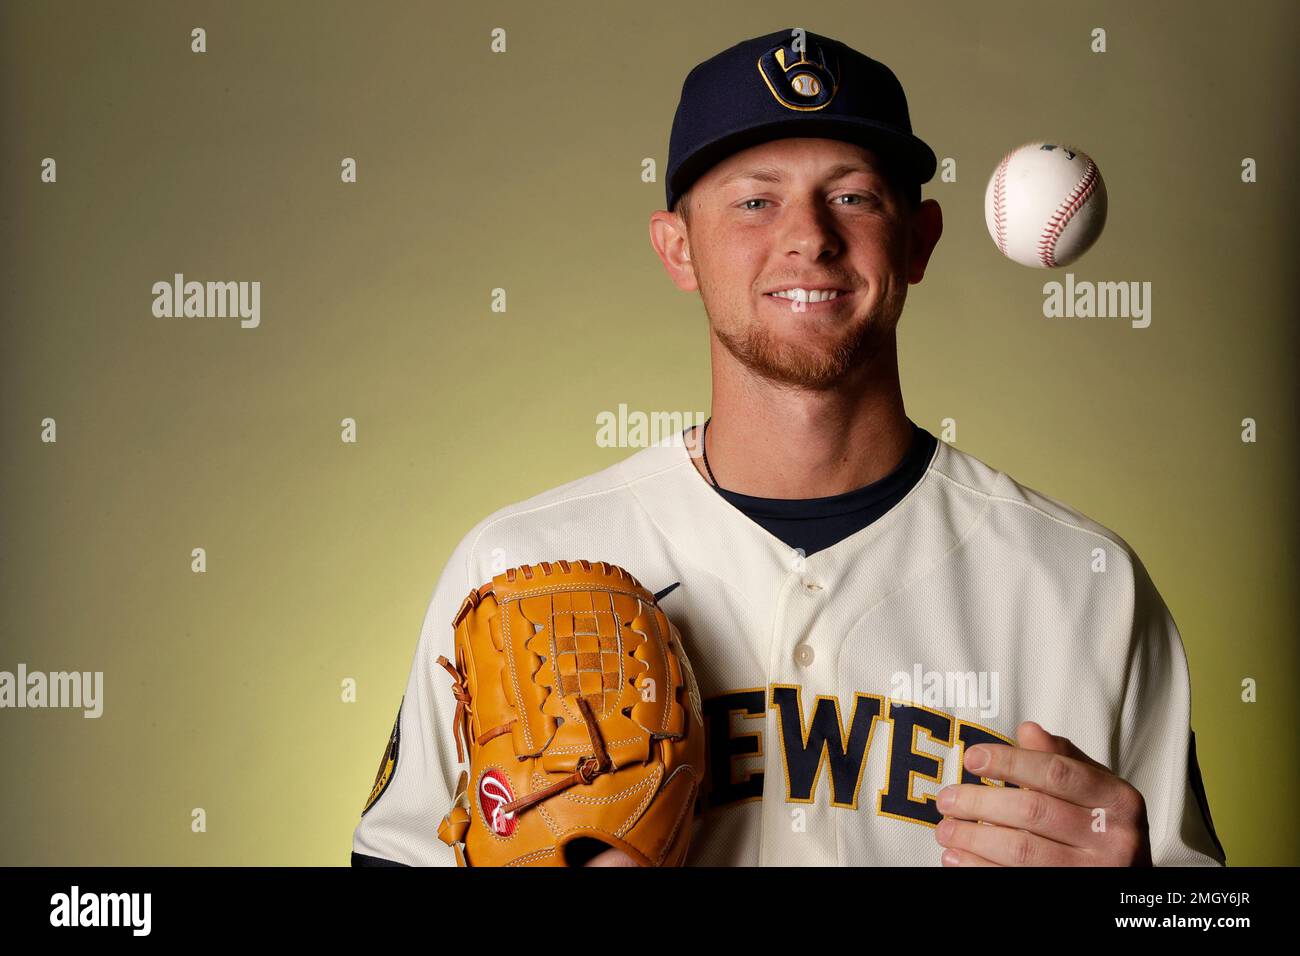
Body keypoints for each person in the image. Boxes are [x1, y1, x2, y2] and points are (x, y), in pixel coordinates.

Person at [351, 27, 1225, 867]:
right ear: (678, 248)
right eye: (755, 201)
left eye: (853, 195)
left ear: (919, 242)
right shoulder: (517, 565)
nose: (809, 236)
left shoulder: (1085, 585)